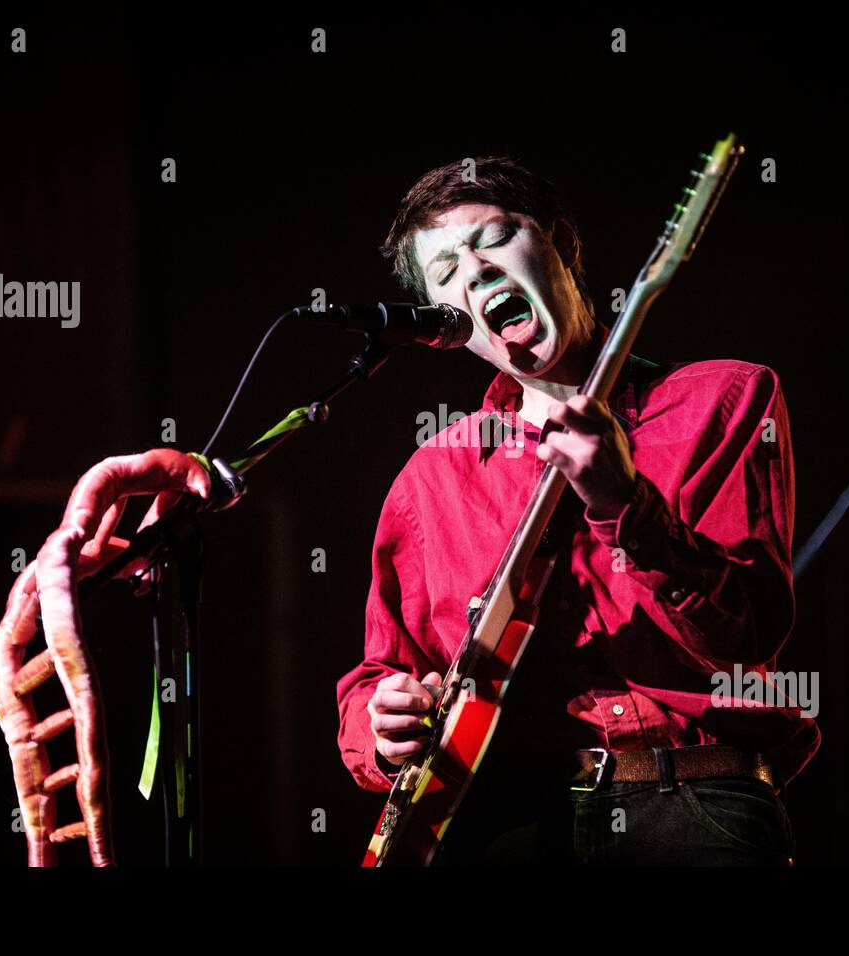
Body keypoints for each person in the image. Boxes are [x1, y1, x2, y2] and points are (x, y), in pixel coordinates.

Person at [335, 156, 819, 865]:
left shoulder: (723, 399)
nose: (472, 269)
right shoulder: (430, 475)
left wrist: (625, 503)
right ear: (447, 323)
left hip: (693, 808)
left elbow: (749, 633)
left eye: (495, 239)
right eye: (444, 272)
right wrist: (383, 725)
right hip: (506, 824)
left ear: (561, 243)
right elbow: (379, 673)